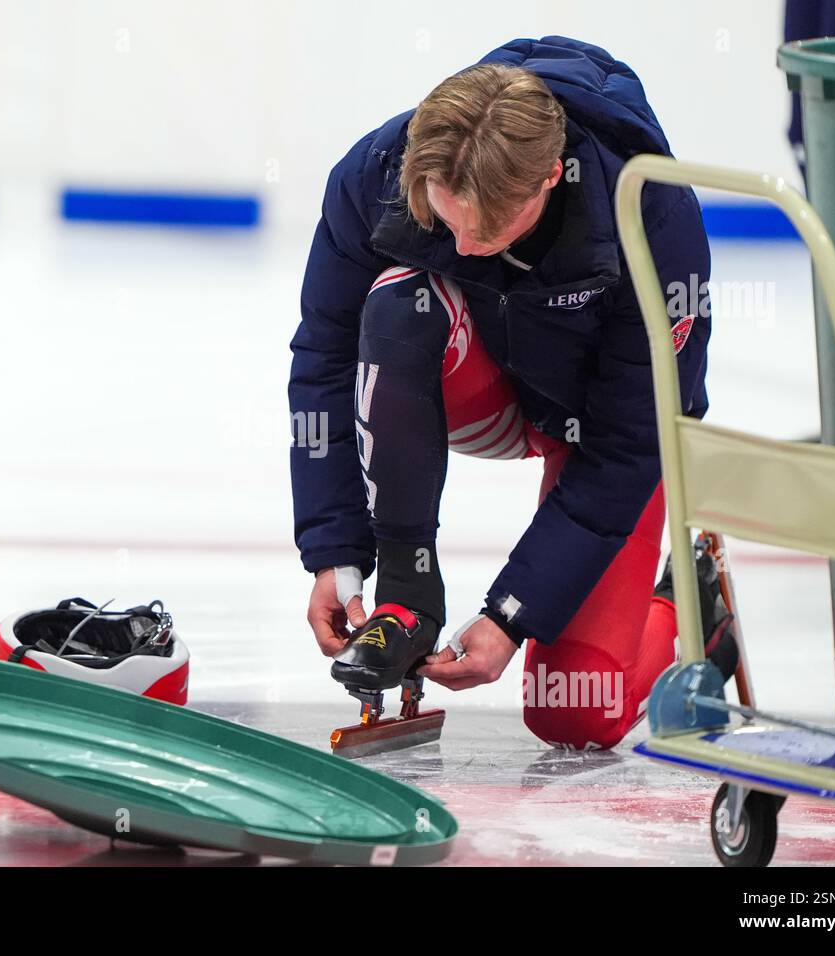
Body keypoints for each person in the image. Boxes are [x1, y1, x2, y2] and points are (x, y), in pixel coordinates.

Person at [288, 36, 737, 751]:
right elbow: (324, 359)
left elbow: (631, 443)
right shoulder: (375, 170)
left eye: (490, 231)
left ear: (552, 177)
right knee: (401, 303)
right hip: (481, 382)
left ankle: (689, 612)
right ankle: (409, 597)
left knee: (574, 711)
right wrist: (335, 552)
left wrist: (510, 615)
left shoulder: (649, 212)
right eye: (445, 219)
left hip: (604, 429)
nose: (464, 247)